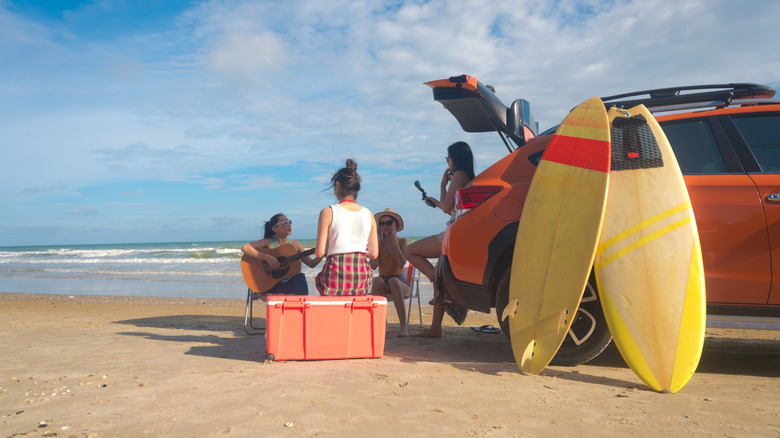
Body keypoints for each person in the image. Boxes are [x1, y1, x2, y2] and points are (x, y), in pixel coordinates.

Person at [405, 141, 475, 338]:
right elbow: (449, 206)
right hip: (458, 230)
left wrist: (443, 184)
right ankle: (435, 328)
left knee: (410, 251)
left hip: (454, 234)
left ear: (455, 158)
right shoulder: (466, 176)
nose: (447, 161)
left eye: (448, 157)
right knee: (438, 281)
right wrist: (436, 202)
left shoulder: (460, 175)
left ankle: (435, 278)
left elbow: (446, 208)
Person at [315, 159, 379, 296]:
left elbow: (319, 253)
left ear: (337, 185)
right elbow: (374, 254)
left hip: (334, 274)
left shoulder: (328, 212)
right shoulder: (369, 214)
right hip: (361, 276)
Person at [241, 213, 322, 295]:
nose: (289, 225)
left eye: (289, 222)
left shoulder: (296, 244)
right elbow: (245, 248)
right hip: (269, 285)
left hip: (287, 286)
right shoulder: (269, 242)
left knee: (300, 277)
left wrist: (323, 253)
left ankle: (301, 305)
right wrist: (267, 258)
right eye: (284, 223)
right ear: (274, 228)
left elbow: (311, 264)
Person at [370, 208, 411, 337]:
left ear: (395, 225)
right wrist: (376, 240)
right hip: (383, 281)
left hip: (400, 281)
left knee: (393, 281)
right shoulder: (378, 243)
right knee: (377, 280)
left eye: (389, 222)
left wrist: (394, 239)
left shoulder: (402, 242)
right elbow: (373, 266)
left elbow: (400, 263)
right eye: (382, 223)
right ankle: (383, 325)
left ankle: (403, 327)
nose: (385, 225)